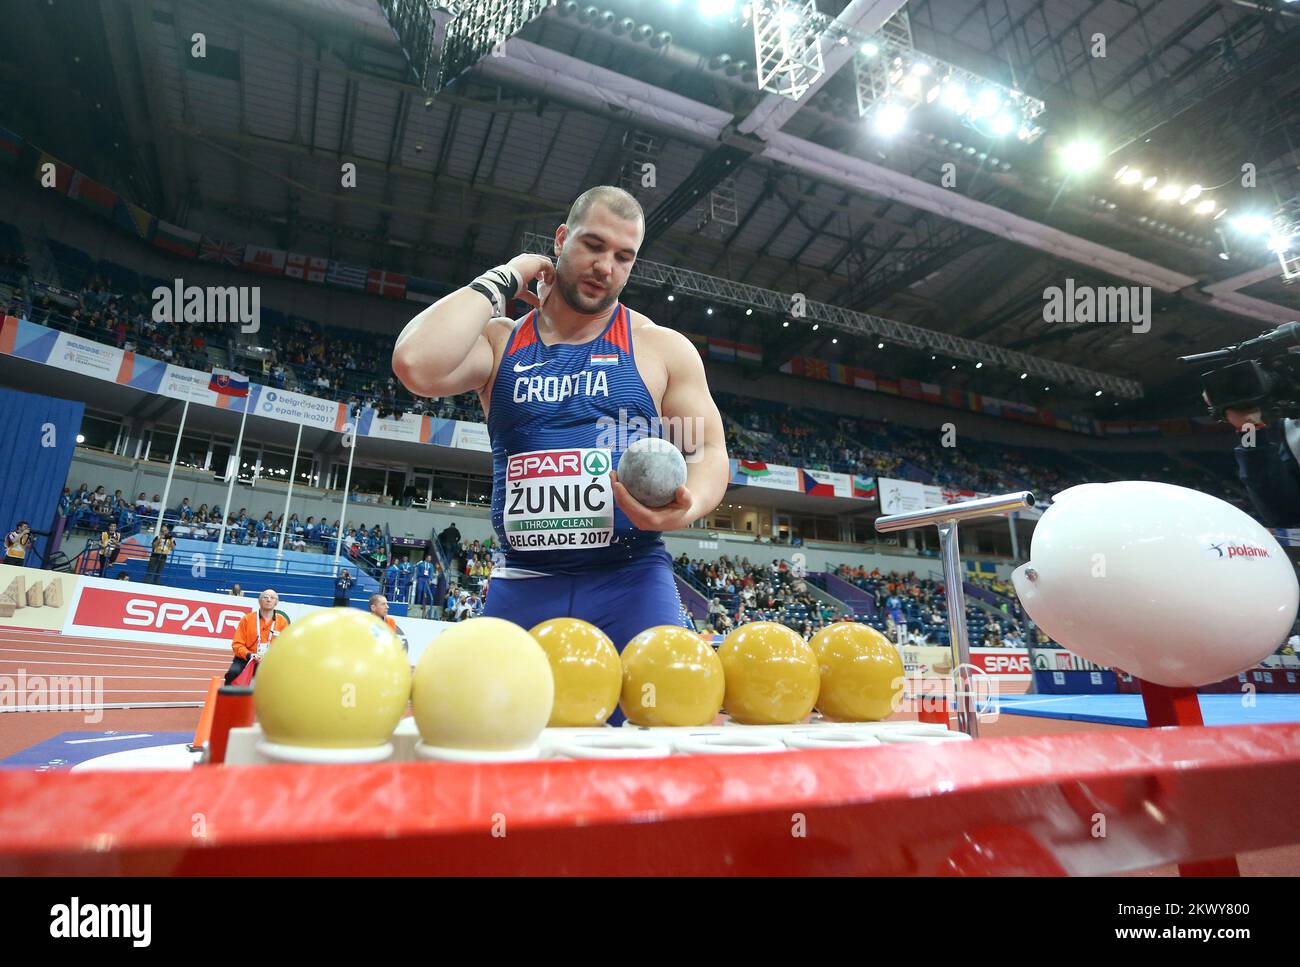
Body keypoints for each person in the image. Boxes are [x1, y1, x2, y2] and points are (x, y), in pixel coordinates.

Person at [392, 185, 729, 663]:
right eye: (593, 245)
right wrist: (506, 277)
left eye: (623, 256)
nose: (605, 267)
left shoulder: (660, 347)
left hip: (631, 580)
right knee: (503, 732)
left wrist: (688, 505)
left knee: (659, 725)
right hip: (523, 583)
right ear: (560, 239)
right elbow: (414, 364)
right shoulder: (501, 341)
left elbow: (708, 452)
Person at [224, 588, 291, 685]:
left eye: (272, 598)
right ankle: (227, 698)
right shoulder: (247, 619)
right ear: (259, 601)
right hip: (246, 659)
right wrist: (250, 655)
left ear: (276, 602)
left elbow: (285, 646)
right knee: (232, 673)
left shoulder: (282, 622)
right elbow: (237, 644)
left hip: (269, 661)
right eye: (265, 597)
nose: (268, 600)